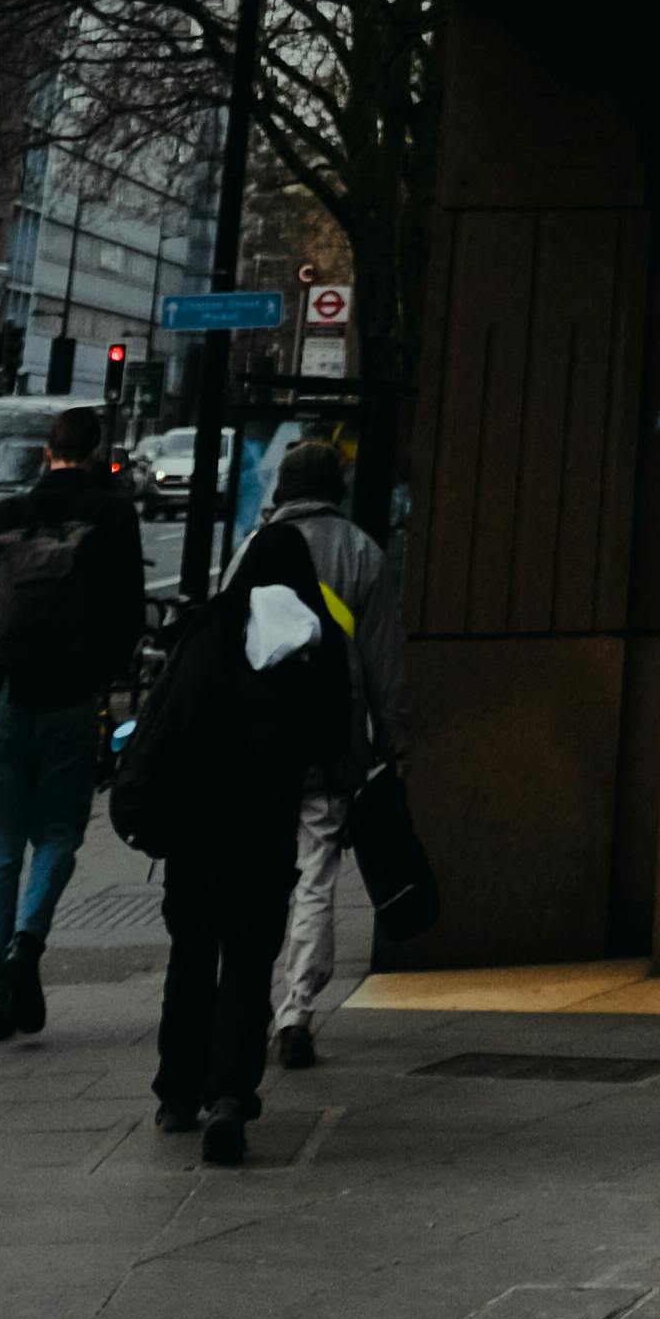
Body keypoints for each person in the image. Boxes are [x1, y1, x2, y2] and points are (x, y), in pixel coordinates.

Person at [132, 503, 358, 1165]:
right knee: (250, 961)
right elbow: (332, 738)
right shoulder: (317, 637)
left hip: (196, 826)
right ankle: (231, 1094)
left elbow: (167, 721)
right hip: (264, 827)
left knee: (192, 956)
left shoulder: (207, 629)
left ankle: (177, 1091)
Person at [0, 403, 138, 1043]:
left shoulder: (5, 517)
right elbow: (128, 613)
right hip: (69, 699)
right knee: (60, 832)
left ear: (46, 453)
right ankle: (28, 940)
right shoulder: (113, 514)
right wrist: (100, 679)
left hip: (5, 697)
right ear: (95, 452)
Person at [258, 434, 400, 1072]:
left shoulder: (253, 552)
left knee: (259, 875)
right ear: (336, 489)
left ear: (283, 489)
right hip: (332, 739)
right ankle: (296, 1011)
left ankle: (244, 1001)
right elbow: (383, 664)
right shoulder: (362, 552)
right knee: (316, 875)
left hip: (259, 741)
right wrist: (392, 738)